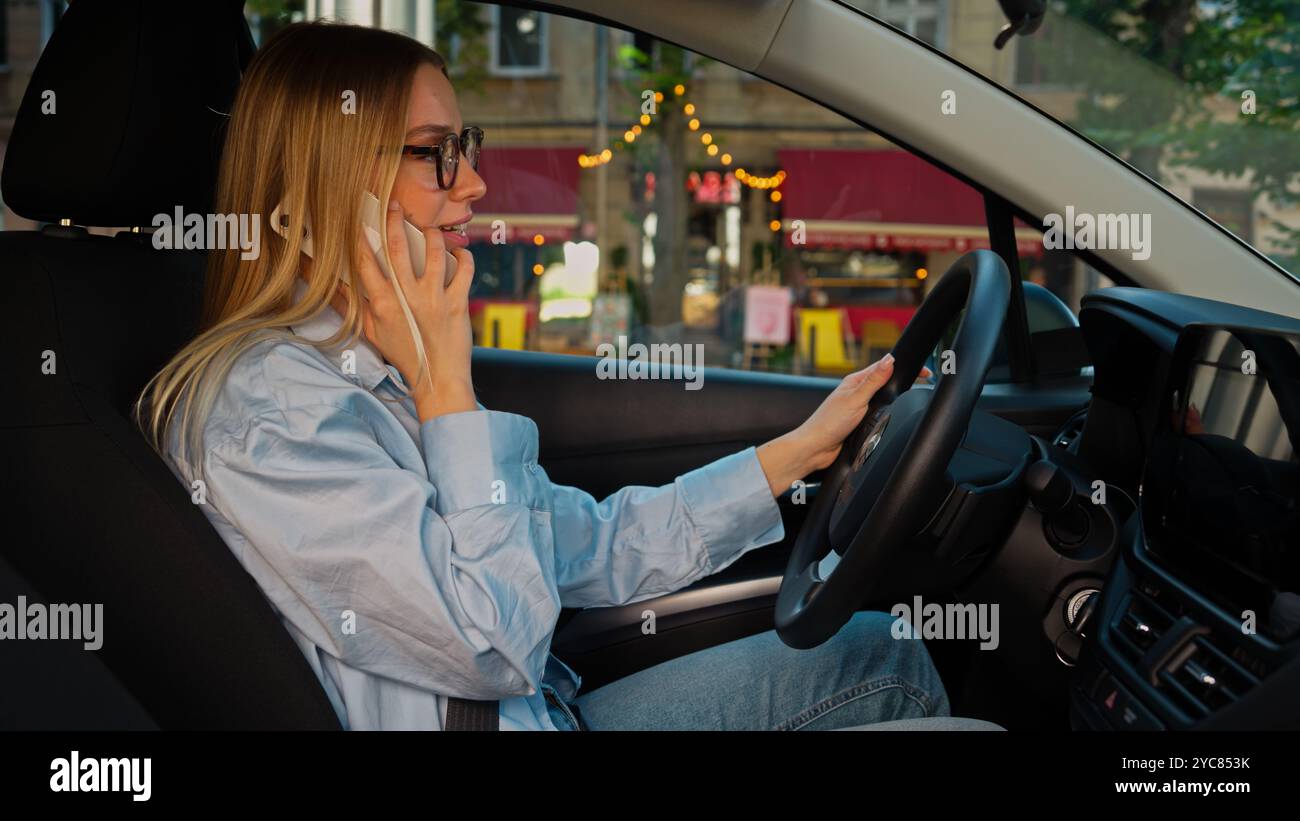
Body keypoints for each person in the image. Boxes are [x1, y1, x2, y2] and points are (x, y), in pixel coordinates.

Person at [136, 21, 948, 731]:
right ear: (325, 188)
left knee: (883, 652)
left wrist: (794, 456)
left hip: (552, 714)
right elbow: (492, 644)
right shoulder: (271, 410)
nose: (474, 182)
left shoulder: (372, 369)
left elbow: (586, 542)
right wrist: (445, 388)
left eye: (467, 146)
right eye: (434, 154)